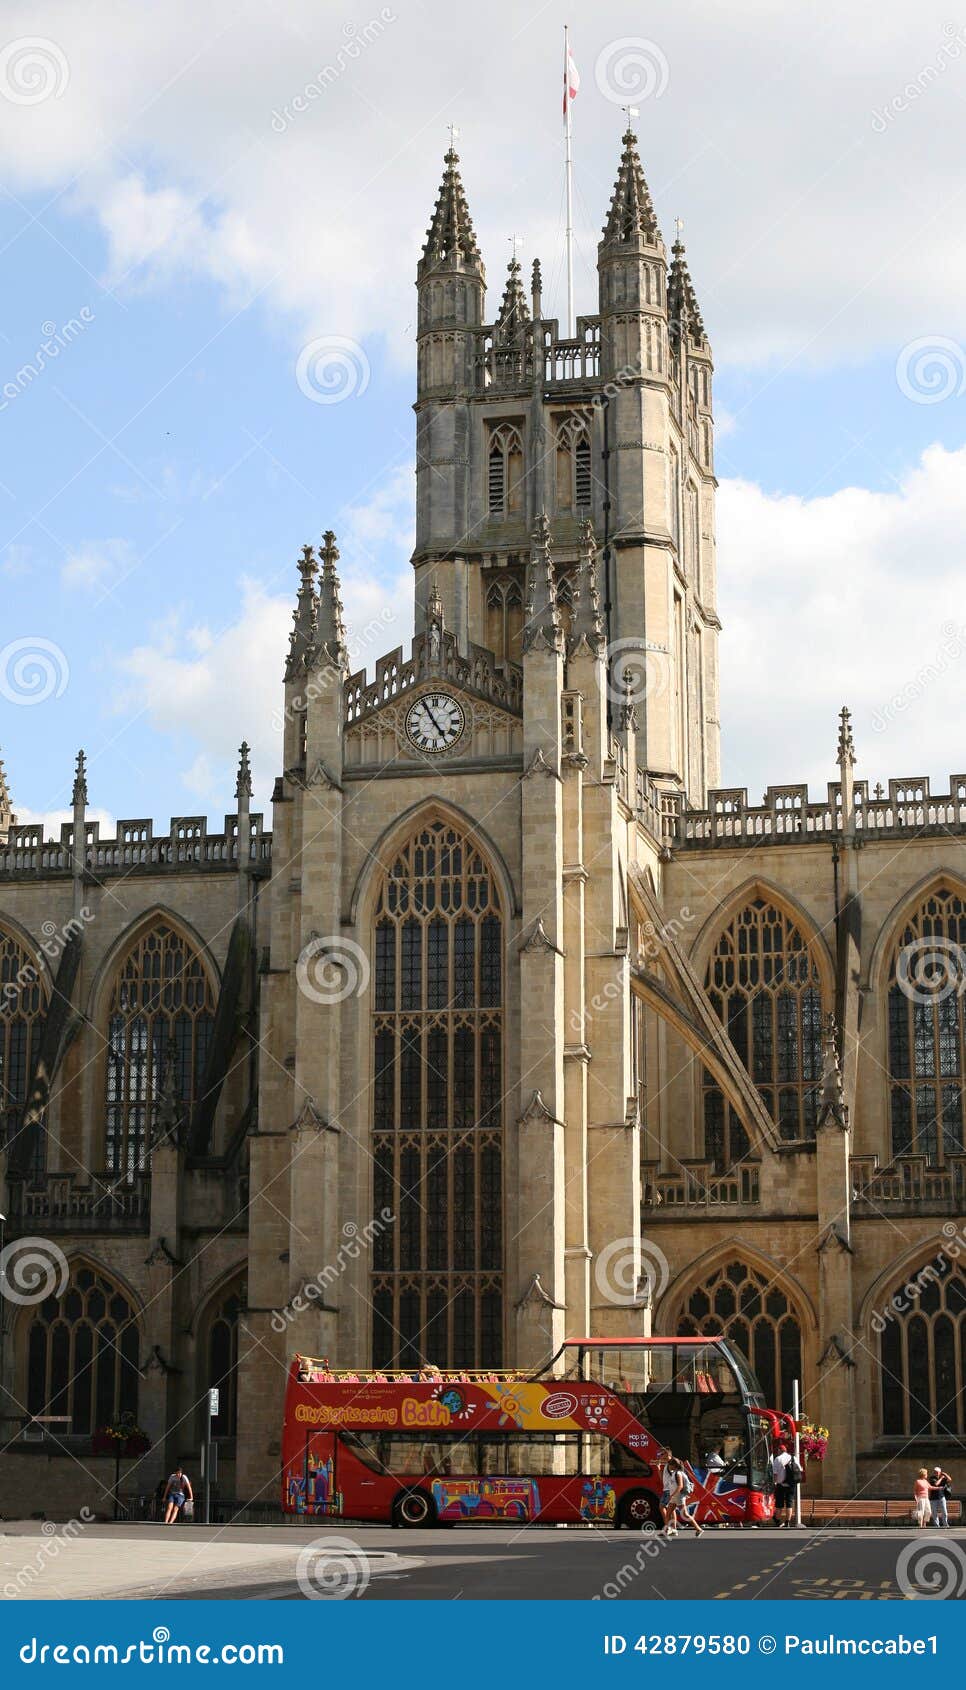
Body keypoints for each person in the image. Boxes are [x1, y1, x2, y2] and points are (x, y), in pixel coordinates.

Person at [665, 1459, 704, 1538]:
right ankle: (668, 1530)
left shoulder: (678, 1473)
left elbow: (680, 1486)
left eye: (669, 1465)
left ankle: (698, 1529)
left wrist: (672, 1495)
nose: (668, 1467)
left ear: (673, 1465)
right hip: (675, 1497)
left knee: (685, 1514)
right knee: (668, 1513)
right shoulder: (674, 1473)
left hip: (678, 1496)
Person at [771, 1441, 793, 1528]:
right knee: (789, 1504)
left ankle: (778, 1522)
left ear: (780, 1450)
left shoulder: (778, 1459)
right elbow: (799, 1469)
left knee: (779, 1504)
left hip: (780, 1484)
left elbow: (775, 1473)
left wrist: (775, 1483)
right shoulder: (793, 1458)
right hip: (791, 1485)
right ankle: (787, 1522)